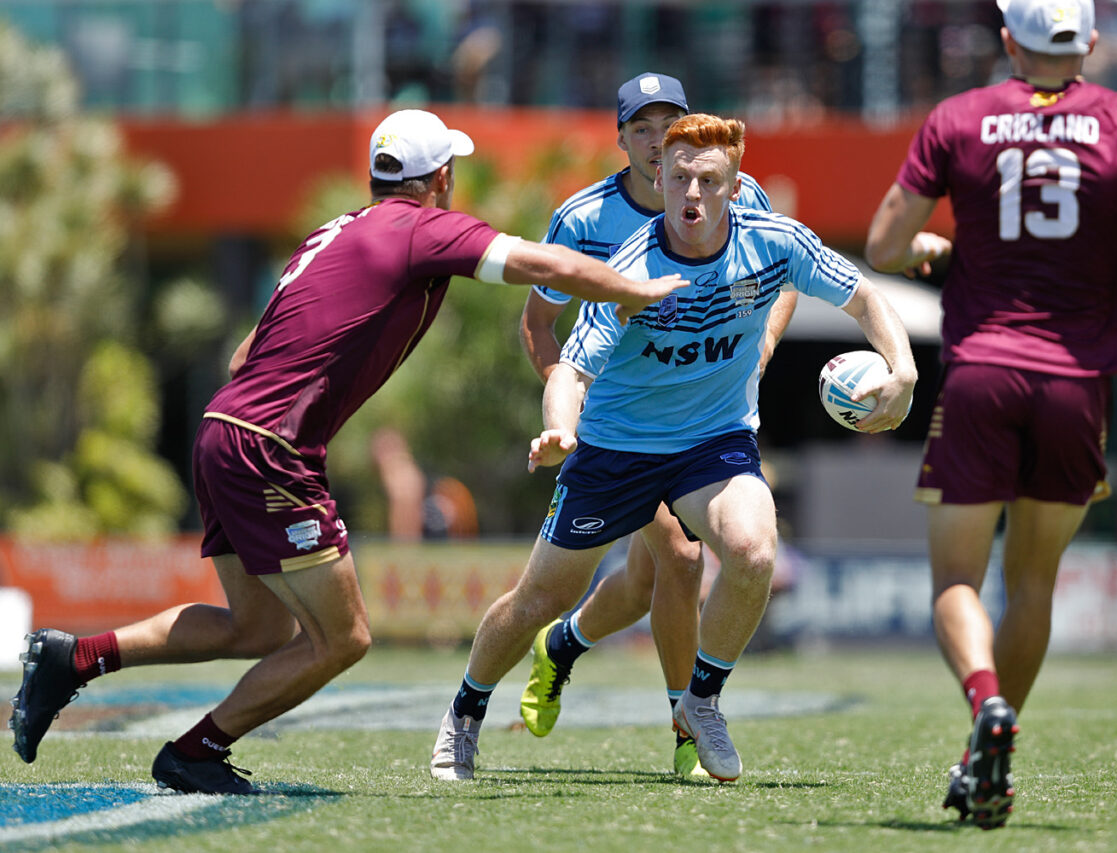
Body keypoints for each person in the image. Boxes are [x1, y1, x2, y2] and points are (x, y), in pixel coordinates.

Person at [7, 109, 687, 794]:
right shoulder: (419, 227)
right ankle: (195, 750)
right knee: (345, 637)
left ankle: (74, 657)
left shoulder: (334, 230)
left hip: (223, 427)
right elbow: (542, 262)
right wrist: (637, 287)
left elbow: (248, 351)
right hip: (271, 445)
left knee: (258, 626)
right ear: (440, 178)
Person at [432, 112, 917, 784]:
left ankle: (701, 702)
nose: (693, 192)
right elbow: (572, 370)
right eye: (680, 176)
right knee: (541, 596)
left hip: (712, 441)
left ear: (734, 183)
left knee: (750, 551)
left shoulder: (774, 241)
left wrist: (903, 367)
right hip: (615, 447)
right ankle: (464, 711)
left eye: (709, 180)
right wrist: (560, 427)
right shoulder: (629, 269)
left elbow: (863, 297)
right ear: (658, 177)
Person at [865, 0, 1117, 829]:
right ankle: (991, 742)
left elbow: (881, 245)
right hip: (1077, 381)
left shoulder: (959, 118)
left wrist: (928, 249)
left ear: (1007, 39)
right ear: (1088, 41)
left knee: (955, 582)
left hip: (982, 372)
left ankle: (984, 707)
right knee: (1034, 580)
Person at [517, 71, 797, 780]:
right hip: (622, 426)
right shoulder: (583, 218)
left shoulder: (739, 191)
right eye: (641, 127)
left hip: (703, 423)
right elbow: (538, 322)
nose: (654, 140)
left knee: (647, 582)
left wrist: (762, 342)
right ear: (621, 140)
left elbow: (788, 267)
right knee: (681, 558)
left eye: (667, 124)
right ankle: (685, 730)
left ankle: (562, 648)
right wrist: (569, 409)